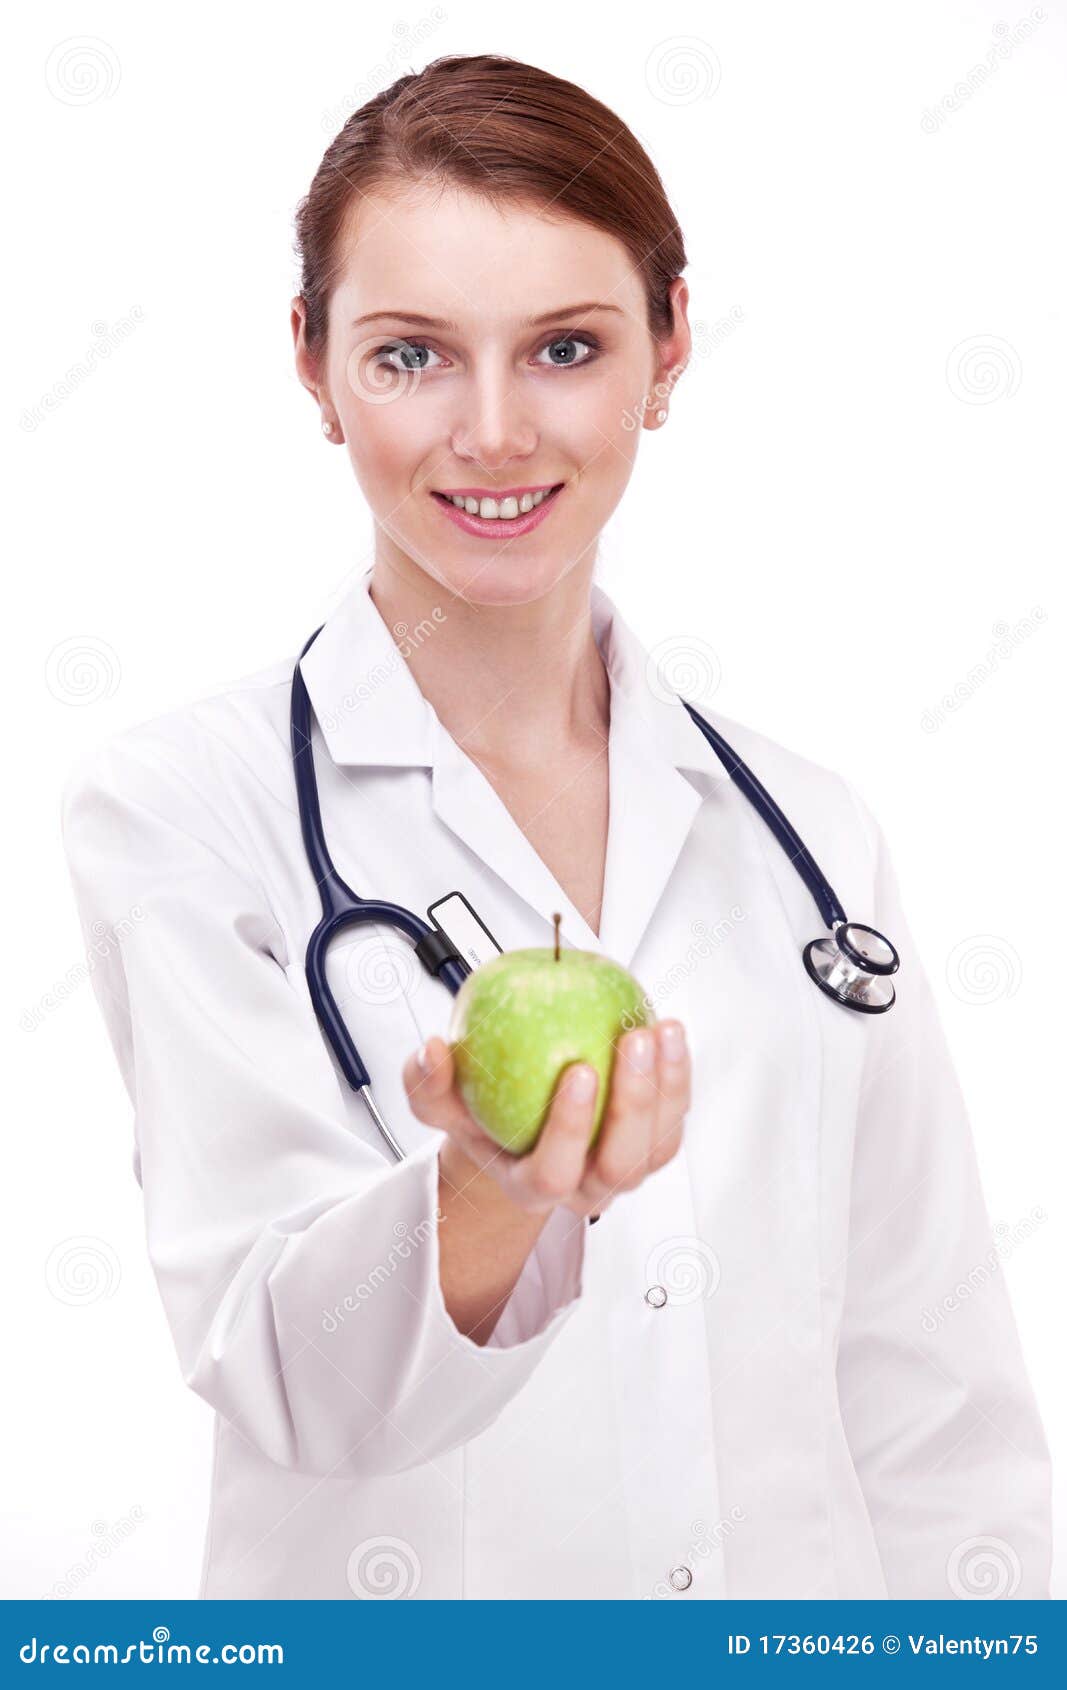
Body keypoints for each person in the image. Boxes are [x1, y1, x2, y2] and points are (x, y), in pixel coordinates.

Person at [60, 53, 1051, 1601]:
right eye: (413, 358)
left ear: (668, 350)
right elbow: (281, 1365)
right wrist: (499, 1193)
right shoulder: (185, 811)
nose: (497, 430)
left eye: (567, 347)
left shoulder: (810, 837)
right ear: (312, 366)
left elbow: (933, 1401)